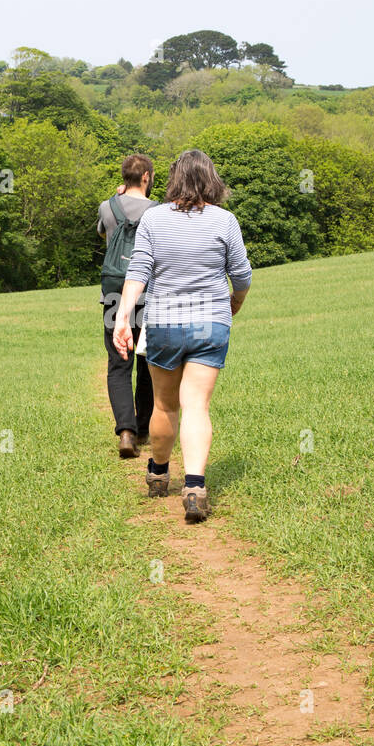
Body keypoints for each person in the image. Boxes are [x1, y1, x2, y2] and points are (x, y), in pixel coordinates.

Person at [112, 150, 252, 523]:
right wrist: (234, 302)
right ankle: (194, 486)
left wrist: (123, 317)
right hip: (211, 324)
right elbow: (242, 277)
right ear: (211, 179)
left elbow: (139, 270)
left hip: (164, 325)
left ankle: (158, 473)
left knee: (164, 405)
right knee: (196, 405)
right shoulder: (225, 221)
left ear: (173, 179)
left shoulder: (154, 219)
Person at [99, 154, 159, 458]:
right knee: (146, 359)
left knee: (118, 360)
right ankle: (144, 425)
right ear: (146, 176)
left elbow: (102, 234)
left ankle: (126, 431)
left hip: (114, 290)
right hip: (148, 290)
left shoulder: (107, 207)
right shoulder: (159, 211)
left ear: (125, 178)